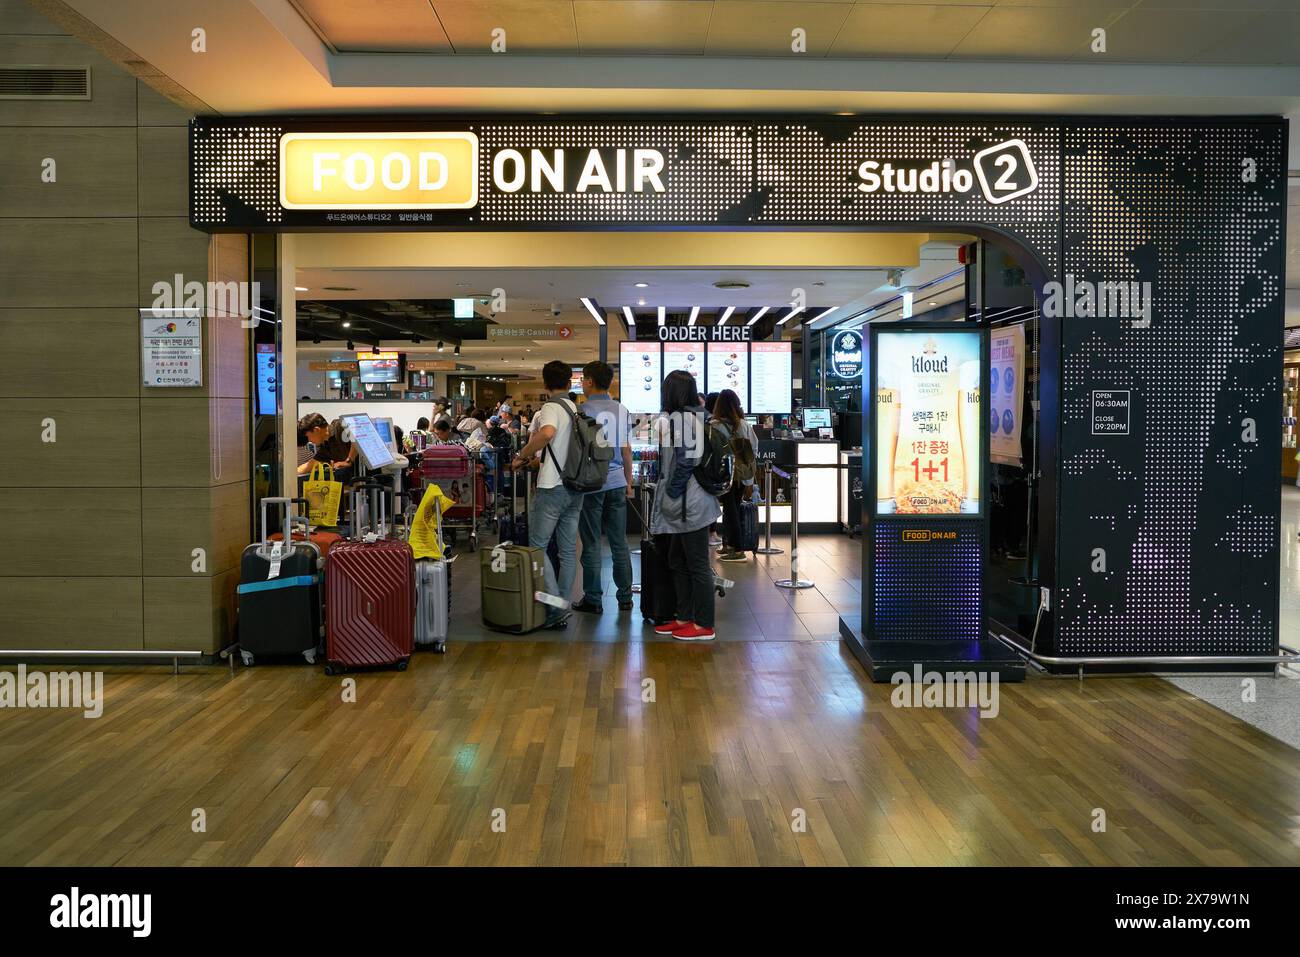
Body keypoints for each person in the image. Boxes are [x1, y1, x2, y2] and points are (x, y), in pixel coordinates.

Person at [510, 360, 586, 630]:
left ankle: (555, 608)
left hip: (552, 485)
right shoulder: (578, 409)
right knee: (567, 550)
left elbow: (547, 433)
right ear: (569, 382)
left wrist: (522, 455)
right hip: (576, 487)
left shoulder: (551, 407)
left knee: (539, 545)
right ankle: (562, 605)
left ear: (545, 384)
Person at [649, 370, 720, 641]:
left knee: (697, 563)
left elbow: (685, 461)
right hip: (691, 502)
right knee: (678, 560)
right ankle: (684, 616)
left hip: (689, 505)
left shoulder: (682, 420)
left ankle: (704, 624)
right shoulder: (696, 416)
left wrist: (672, 492)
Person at [572, 360, 635, 615]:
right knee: (619, 542)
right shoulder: (621, 409)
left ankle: (594, 598)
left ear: (589, 381)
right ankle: (626, 597)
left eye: (583, 380)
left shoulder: (582, 411)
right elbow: (626, 450)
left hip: (591, 485)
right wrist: (629, 482)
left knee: (591, 543)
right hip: (618, 482)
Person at [711, 389, 759, 562]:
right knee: (733, 509)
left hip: (722, 474)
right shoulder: (744, 425)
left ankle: (738, 549)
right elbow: (753, 450)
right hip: (740, 474)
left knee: (730, 511)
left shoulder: (714, 425)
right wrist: (749, 480)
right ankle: (728, 544)